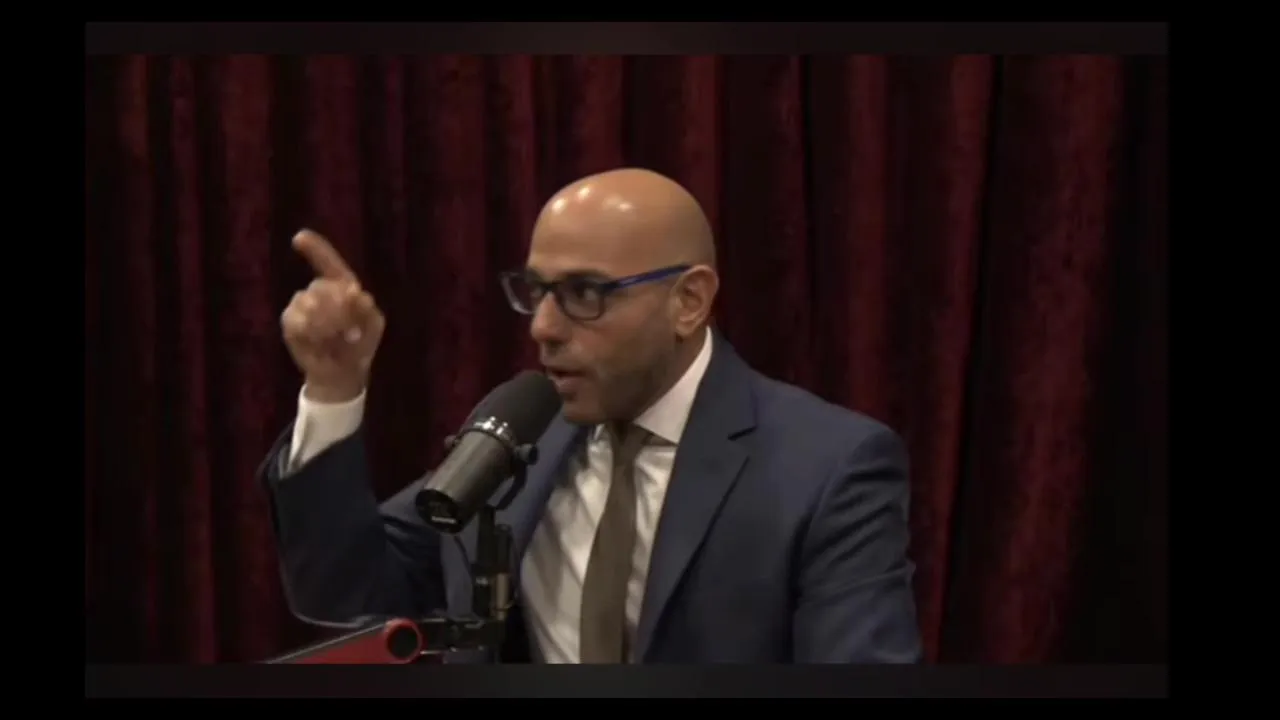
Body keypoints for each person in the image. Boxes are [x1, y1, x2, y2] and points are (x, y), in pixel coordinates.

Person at [259, 167, 923, 664]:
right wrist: (332, 390)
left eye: (584, 293)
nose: (543, 328)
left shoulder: (827, 467)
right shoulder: (521, 431)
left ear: (689, 301)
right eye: (537, 292)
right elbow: (343, 590)